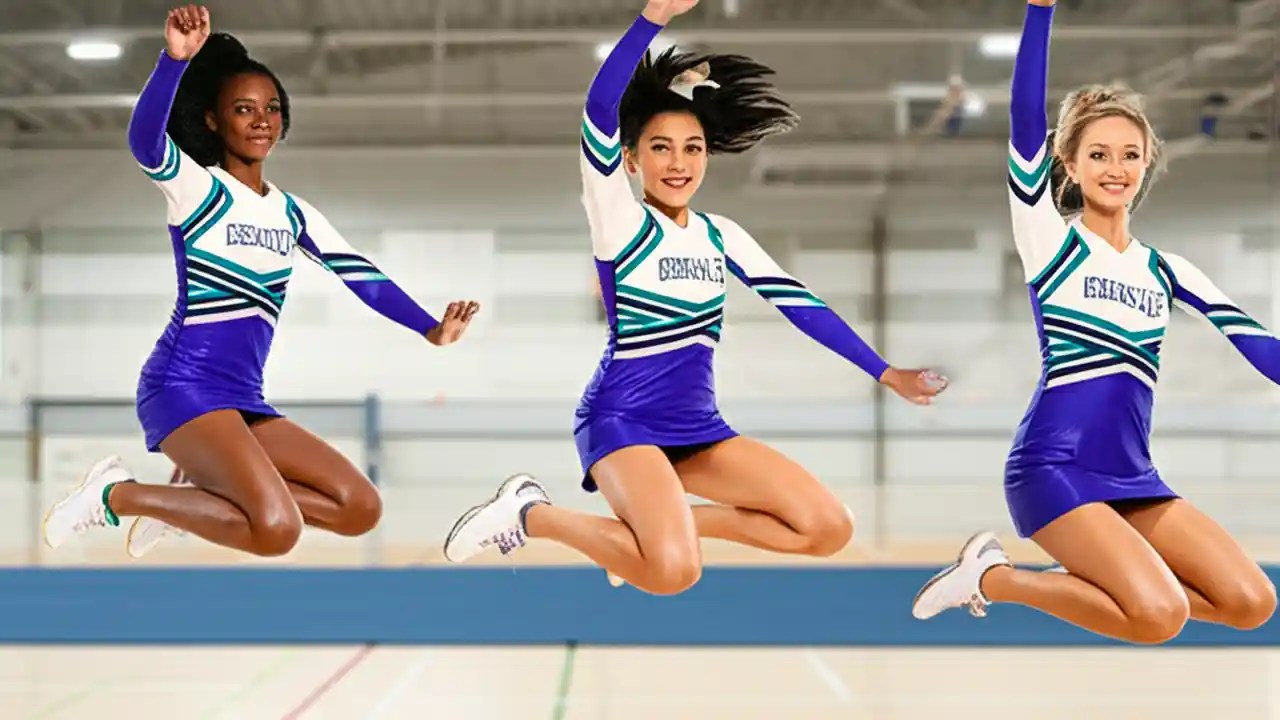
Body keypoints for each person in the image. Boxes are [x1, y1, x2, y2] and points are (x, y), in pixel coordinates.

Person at [440, 0, 948, 595]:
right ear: (631, 159)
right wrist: (653, 17)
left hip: (697, 425)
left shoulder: (720, 234)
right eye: (660, 147)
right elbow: (599, 110)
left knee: (827, 528)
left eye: (692, 148)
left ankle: (648, 536)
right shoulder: (621, 222)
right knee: (674, 574)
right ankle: (529, 514)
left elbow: (802, 306)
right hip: (623, 420)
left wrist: (886, 372)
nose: (678, 162)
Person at [42, 4, 479, 559]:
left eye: (271, 108)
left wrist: (429, 328)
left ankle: (192, 498)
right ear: (212, 121)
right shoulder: (199, 189)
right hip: (183, 388)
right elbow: (144, 142)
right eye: (243, 109)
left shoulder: (293, 214)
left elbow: (361, 274)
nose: (261, 119)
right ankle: (117, 495)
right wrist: (172, 63)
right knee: (276, 528)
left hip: (243, 398)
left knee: (359, 507)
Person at [911, 0, 1276, 643]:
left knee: (1250, 602)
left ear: (1145, 166)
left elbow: (1262, 349)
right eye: (1099, 154)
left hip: (1133, 472)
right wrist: (1040, 10)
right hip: (1055, 467)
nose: (1115, 168)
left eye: (1129, 155)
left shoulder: (1169, 271)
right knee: (1158, 617)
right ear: (1070, 166)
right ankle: (992, 578)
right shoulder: (1051, 240)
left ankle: (1094, 575)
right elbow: (1026, 119)